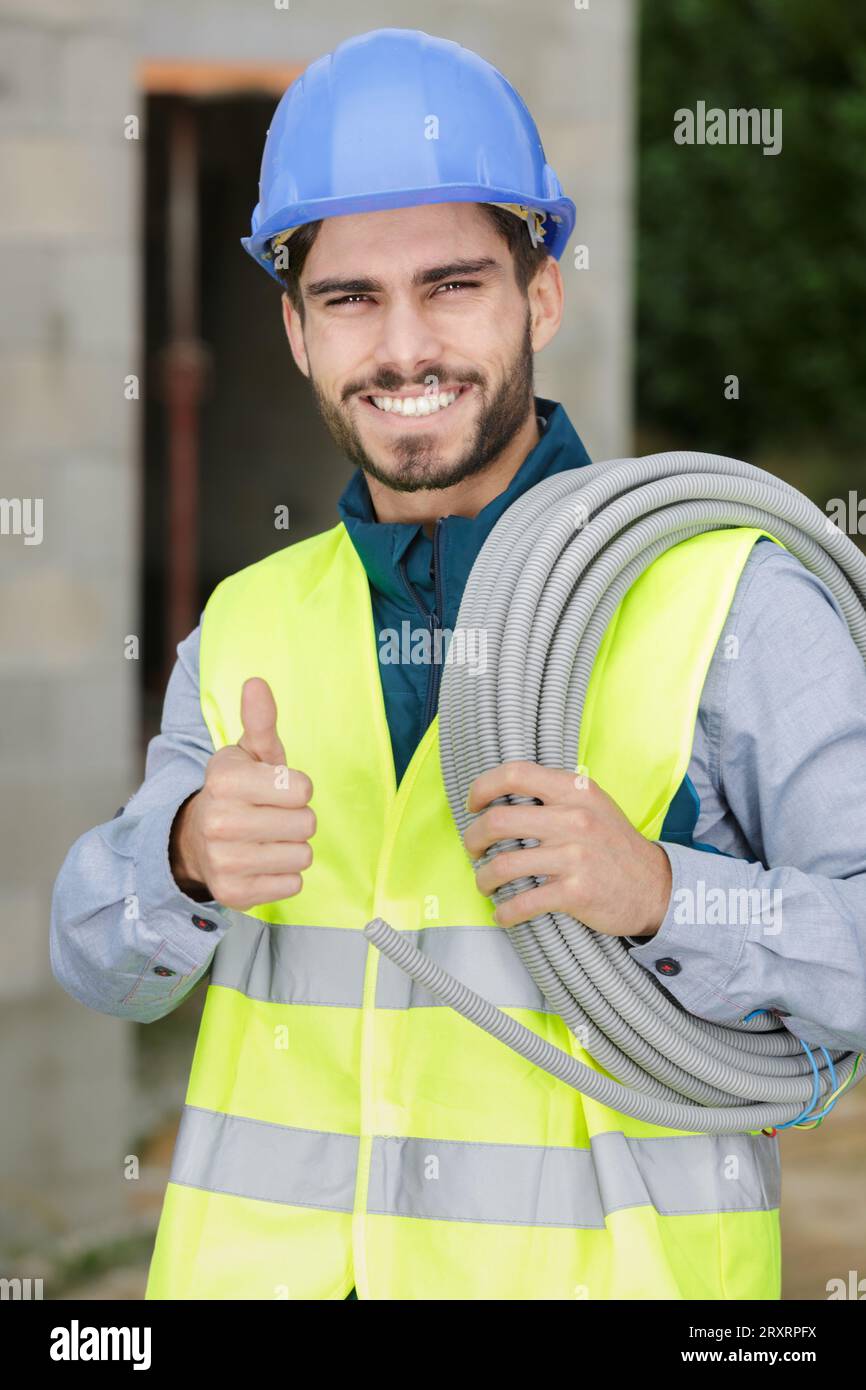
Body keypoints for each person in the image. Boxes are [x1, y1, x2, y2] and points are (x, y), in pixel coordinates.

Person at [51, 28, 866, 1301]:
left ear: (539, 295)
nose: (403, 347)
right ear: (295, 329)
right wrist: (182, 860)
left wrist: (662, 893)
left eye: (452, 285)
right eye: (350, 299)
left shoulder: (724, 598)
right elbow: (99, 963)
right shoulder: (251, 622)